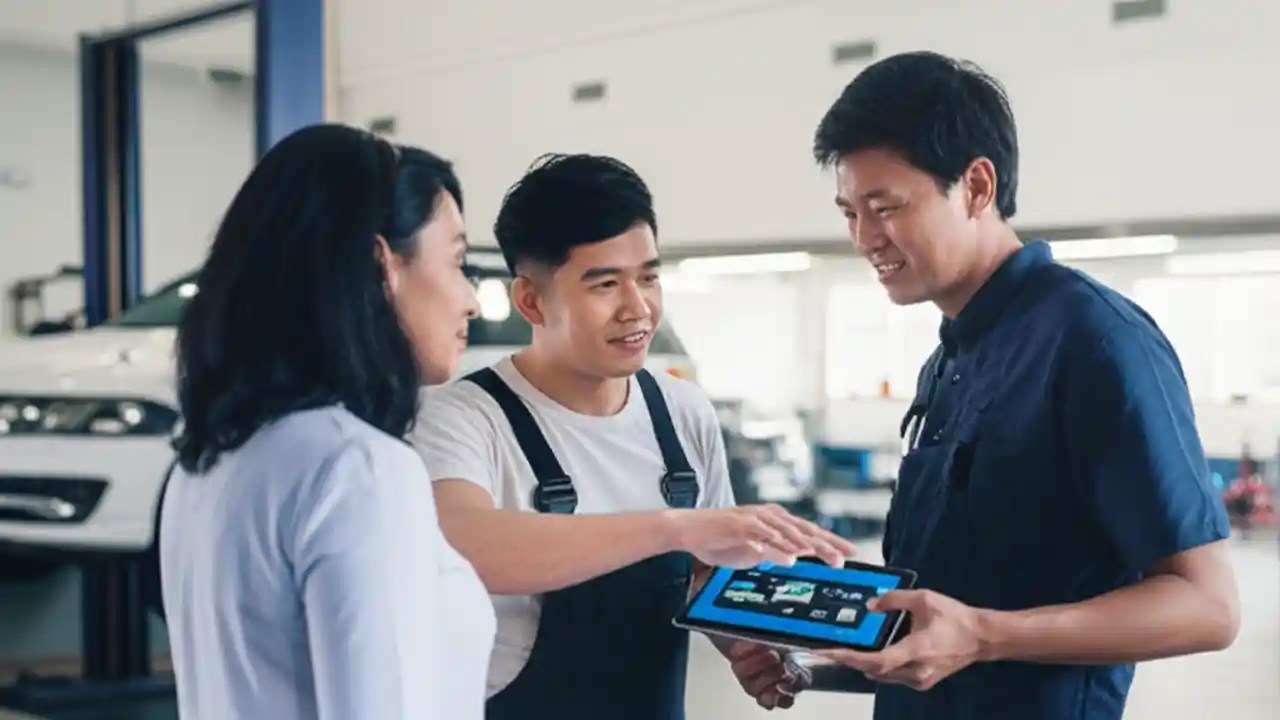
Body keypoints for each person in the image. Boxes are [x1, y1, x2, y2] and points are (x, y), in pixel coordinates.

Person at [794, 50, 1240, 719]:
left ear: (977, 186)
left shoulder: (1094, 342)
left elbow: (1208, 606)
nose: (864, 237)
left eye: (884, 207)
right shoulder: (950, 356)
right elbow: (945, 622)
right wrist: (811, 662)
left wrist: (985, 637)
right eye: (849, 211)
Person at [409, 153, 857, 719]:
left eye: (648, 276)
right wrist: (675, 527)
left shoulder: (681, 412)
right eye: (605, 284)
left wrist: (741, 642)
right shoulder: (464, 418)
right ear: (529, 300)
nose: (638, 307)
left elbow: (703, 570)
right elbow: (466, 543)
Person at [159, 124, 495, 719]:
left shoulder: (207, 461)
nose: (471, 299)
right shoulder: (358, 469)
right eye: (458, 261)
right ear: (380, 265)